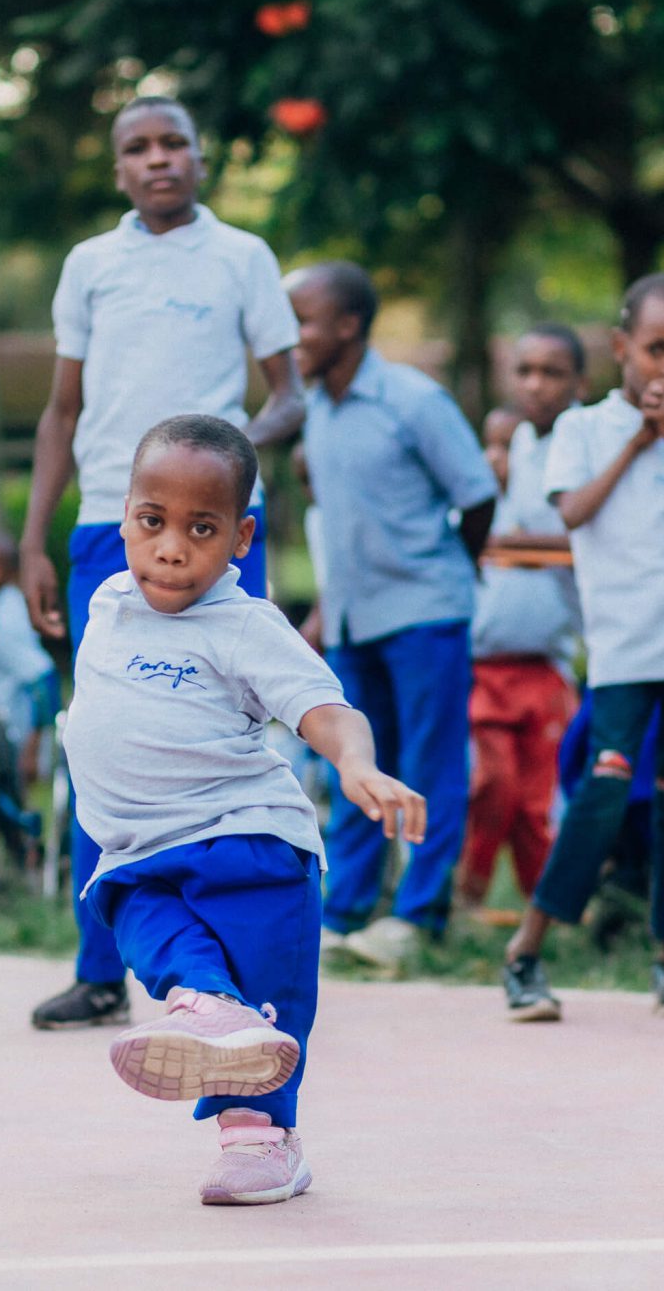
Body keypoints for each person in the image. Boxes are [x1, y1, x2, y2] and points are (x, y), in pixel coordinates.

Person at [71, 415, 425, 1205]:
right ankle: (204, 1000)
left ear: (241, 536)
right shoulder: (108, 600)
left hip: (249, 848)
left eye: (201, 528)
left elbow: (323, 707)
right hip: (138, 852)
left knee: (265, 1024)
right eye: (151, 521)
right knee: (128, 913)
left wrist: (358, 763)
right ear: (123, 514)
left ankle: (264, 1146)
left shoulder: (244, 623)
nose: (170, 546)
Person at [21, 95, 306, 1030]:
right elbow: (61, 411)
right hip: (109, 521)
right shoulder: (91, 265)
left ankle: (226, 954)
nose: (157, 160)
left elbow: (289, 396)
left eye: (173, 142)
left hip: (215, 526)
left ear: (200, 154)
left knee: (225, 727)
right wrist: (31, 537)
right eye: (137, 148)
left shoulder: (243, 258)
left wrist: (228, 467)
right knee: (102, 731)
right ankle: (104, 966)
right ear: (117, 169)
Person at [502, 272, 664, 1022]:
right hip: (625, 651)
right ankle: (527, 951)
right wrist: (639, 439)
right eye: (655, 349)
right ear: (620, 347)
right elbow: (572, 511)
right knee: (602, 794)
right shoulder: (580, 429)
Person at [287, 261, 497, 972]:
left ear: (348, 326)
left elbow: (476, 495)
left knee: (430, 765)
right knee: (355, 765)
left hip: (425, 613)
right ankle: (344, 912)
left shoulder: (413, 400)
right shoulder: (314, 408)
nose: (291, 338)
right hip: (352, 622)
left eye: (303, 321)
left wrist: (443, 574)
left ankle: (418, 913)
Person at [457, 326, 586, 911]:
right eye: (525, 371)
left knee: (538, 797)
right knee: (492, 782)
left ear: (579, 383)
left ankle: (545, 904)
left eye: (551, 372)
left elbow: (577, 541)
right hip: (487, 664)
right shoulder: (486, 488)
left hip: (547, 662)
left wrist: (527, 546)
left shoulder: (579, 448)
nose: (536, 384)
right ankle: (471, 888)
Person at [0, 528, 59, 785]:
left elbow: (43, 676)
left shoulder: (5, 619)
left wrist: (34, 745)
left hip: (12, 730)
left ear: (8, 574)